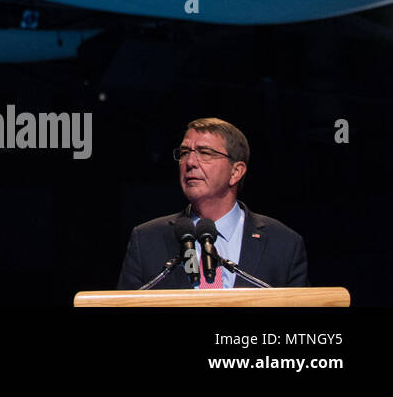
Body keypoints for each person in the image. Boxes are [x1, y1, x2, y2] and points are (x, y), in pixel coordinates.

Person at [117, 117, 308, 290]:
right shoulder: (146, 240)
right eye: (184, 153)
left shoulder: (284, 243)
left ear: (236, 172)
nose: (190, 162)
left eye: (205, 153)